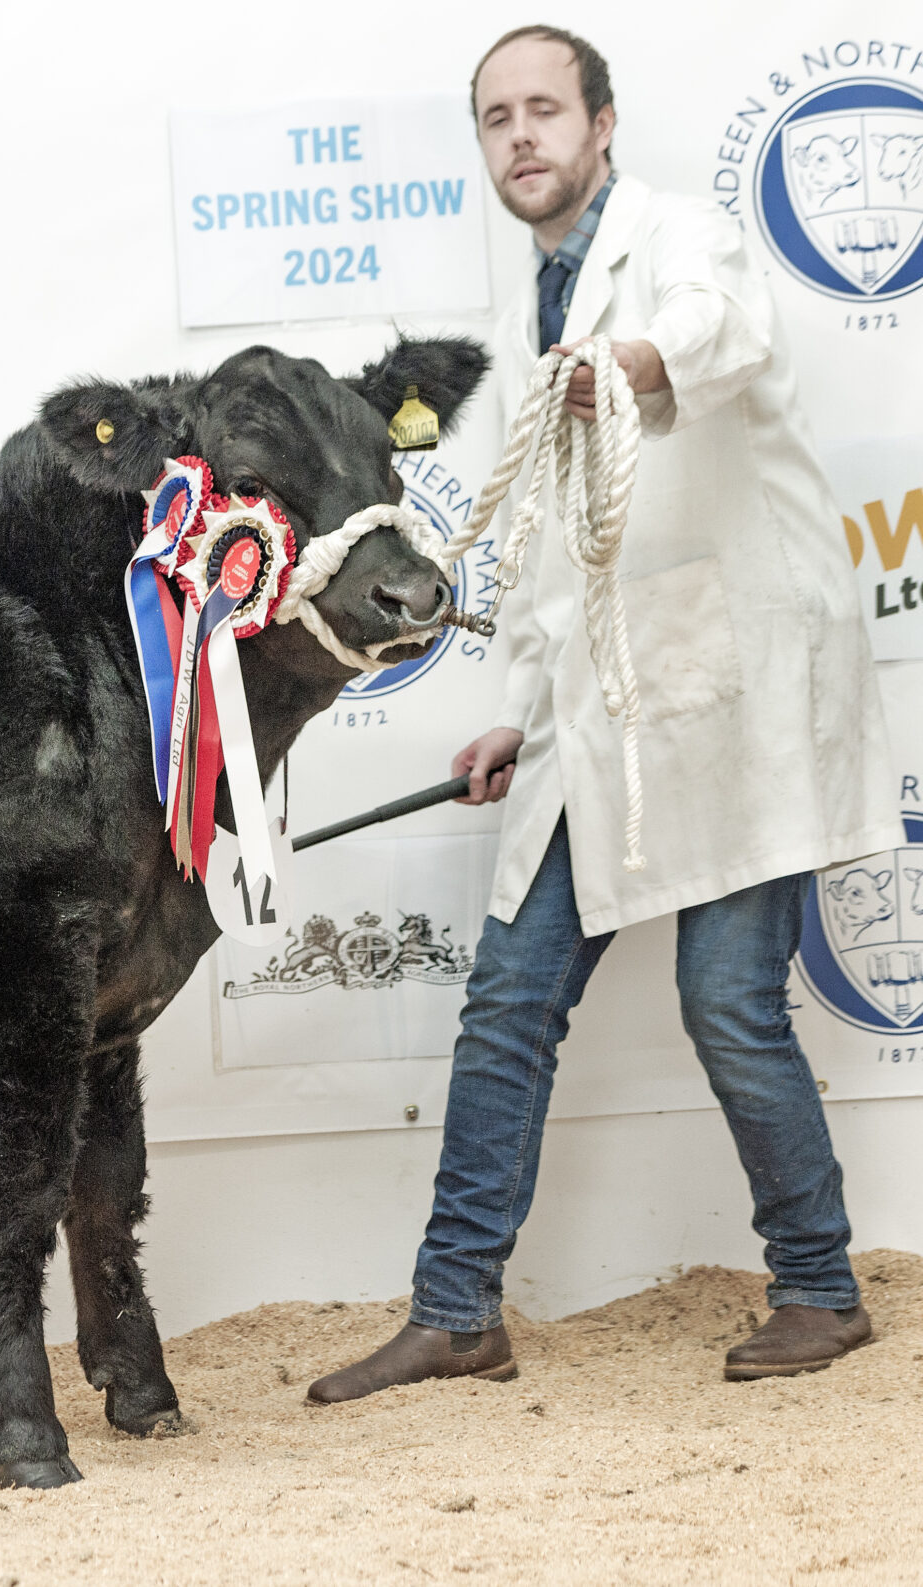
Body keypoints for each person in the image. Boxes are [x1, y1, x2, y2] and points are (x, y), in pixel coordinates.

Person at [308, 24, 900, 1404]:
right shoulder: (534, 304)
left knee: (727, 1003)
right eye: (497, 118)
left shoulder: (680, 240)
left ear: (603, 124)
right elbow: (560, 557)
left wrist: (631, 363)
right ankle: (457, 1312)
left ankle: (820, 1288)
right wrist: (519, 714)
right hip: (607, 706)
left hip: (730, 688)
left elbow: (723, 331)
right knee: (508, 1001)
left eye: (545, 110)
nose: (522, 136)